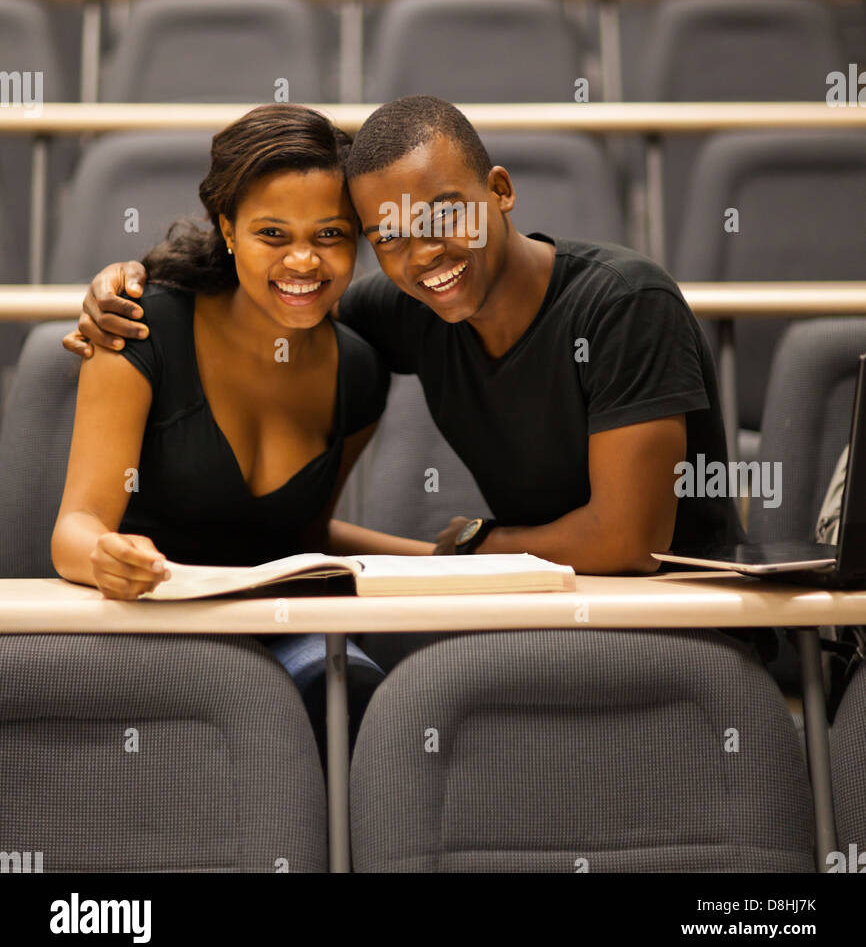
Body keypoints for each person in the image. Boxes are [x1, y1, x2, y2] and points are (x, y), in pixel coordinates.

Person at [65, 95, 745, 585]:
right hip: (538, 610)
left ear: (500, 191)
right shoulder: (401, 311)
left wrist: (468, 549)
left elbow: (629, 543)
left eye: (444, 213)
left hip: (678, 614)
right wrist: (128, 281)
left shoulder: (625, 302)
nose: (423, 256)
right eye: (388, 236)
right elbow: (280, 304)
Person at [52, 103, 434, 767]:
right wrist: (107, 558)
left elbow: (304, 541)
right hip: (148, 625)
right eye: (273, 234)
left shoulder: (360, 371)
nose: (304, 262)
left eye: (331, 234)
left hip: (273, 633)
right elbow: (76, 526)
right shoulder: (138, 329)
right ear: (227, 230)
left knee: (352, 692)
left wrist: (454, 558)